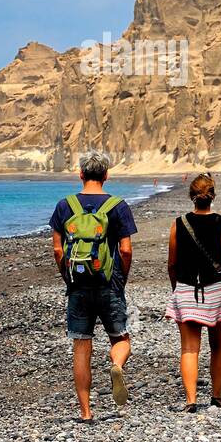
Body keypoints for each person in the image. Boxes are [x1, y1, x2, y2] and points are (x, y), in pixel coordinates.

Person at [50, 150, 137, 422]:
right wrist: (120, 279)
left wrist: (68, 277)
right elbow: (125, 250)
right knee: (121, 338)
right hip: (109, 284)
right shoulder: (118, 206)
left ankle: (86, 413)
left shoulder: (65, 206)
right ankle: (116, 365)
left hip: (78, 285)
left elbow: (57, 250)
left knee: (81, 346)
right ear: (106, 175)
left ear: (81, 174)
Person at [165, 172, 221, 412]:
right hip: (216, 289)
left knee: (189, 348)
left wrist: (176, 287)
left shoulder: (178, 224)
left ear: (192, 197)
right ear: (212, 196)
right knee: (218, 346)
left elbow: (172, 263)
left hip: (186, 288)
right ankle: (216, 397)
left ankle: (191, 401)